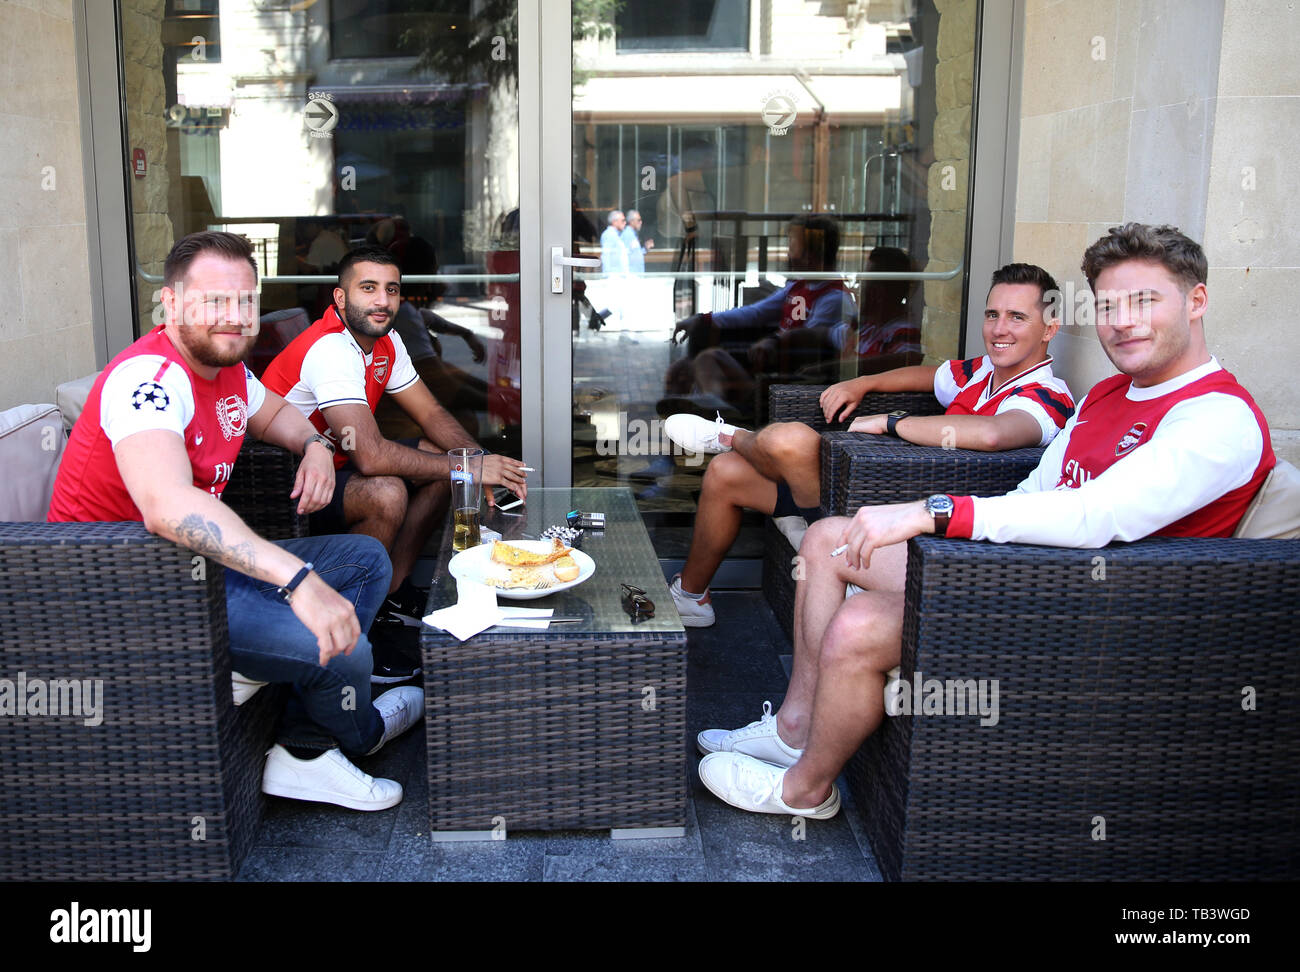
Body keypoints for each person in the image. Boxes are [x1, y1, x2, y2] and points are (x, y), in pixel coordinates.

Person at [696, 223, 1276, 820]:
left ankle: (807, 790)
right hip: (1033, 570)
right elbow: (1040, 487)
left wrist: (936, 513)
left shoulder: (1215, 417)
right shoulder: (1109, 395)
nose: (1122, 321)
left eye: (1144, 301)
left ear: (1197, 301)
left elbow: (1096, 514)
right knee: (825, 540)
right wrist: (962, 544)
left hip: (1109, 619)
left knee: (860, 623)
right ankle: (795, 727)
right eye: (1108, 305)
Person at [47, 231, 424, 811]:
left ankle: (294, 735)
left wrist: (316, 447)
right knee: (344, 646)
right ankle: (355, 737)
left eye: (246, 301)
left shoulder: (225, 368)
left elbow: (276, 414)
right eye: (215, 301)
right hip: (128, 596)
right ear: (171, 305)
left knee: (363, 560)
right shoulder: (148, 380)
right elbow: (167, 505)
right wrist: (297, 582)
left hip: (196, 571)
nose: (235, 316)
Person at [662, 262, 1076, 627]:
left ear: (1050, 328)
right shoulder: (982, 371)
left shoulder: (1046, 395)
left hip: (909, 520)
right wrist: (864, 382)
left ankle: (728, 436)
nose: (999, 329)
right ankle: (691, 597)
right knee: (726, 474)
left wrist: (893, 422)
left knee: (790, 442)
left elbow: (993, 434)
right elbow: (927, 376)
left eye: (1017, 317)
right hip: (874, 490)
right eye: (992, 314)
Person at [261, 245, 529, 680]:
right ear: (340, 298)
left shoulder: (387, 342)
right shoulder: (331, 348)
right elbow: (369, 455)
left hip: (337, 462)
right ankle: (356, 638)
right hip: (289, 480)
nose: (382, 300)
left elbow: (430, 413)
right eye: (368, 288)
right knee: (386, 492)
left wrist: (475, 460)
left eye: (392, 289)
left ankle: (389, 594)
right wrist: (469, 469)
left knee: (444, 459)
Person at [664, 214, 856, 411]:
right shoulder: (798, 286)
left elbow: (809, 346)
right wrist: (704, 319)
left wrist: (772, 344)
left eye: (792, 247)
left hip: (783, 377)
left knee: (707, 360)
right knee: (681, 370)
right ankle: (692, 419)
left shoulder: (834, 298)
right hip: (767, 361)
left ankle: (721, 411)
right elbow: (756, 312)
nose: (788, 255)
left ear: (811, 255)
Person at [600, 211, 629, 275]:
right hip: (613, 277)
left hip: (619, 276)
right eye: (623, 220)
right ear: (614, 222)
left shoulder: (616, 235)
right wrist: (607, 275)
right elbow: (605, 256)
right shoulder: (609, 235)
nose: (625, 223)